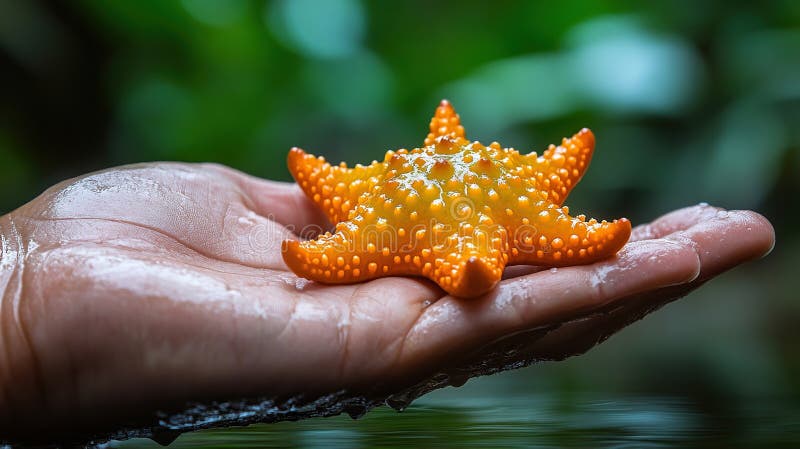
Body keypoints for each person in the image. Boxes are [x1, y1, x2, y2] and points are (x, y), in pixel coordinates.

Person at [0, 162, 775, 437]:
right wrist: (21, 294)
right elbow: (461, 262)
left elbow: (473, 263)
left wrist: (25, 301)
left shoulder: (462, 207)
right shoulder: (393, 200)